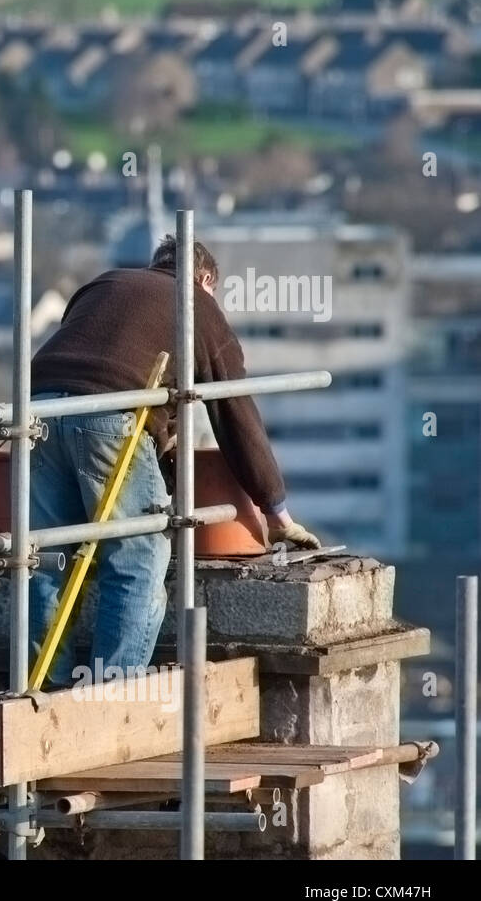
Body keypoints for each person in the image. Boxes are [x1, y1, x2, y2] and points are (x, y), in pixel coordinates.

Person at [27, 235, 320, 686]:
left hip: (37, 412)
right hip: (110, 415)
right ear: (205, 279)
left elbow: (104, 360)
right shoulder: (196, 305)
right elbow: (236, 415)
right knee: (138, 555)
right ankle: (110, 693)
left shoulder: (106, 283)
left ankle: (44, 687)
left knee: (50, 555)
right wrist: (275, 509)